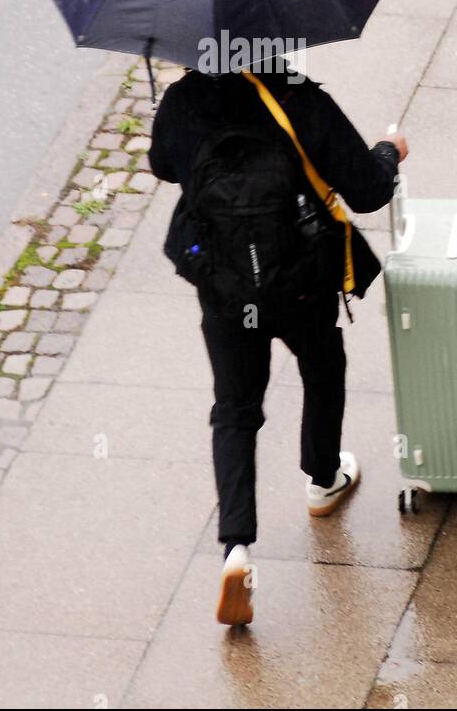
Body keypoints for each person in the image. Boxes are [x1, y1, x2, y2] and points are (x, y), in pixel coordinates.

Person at [149, 58, 408, 626]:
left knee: (235, 409)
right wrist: (391, 151)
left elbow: (164, 166)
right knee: (322, 364)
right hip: (299, 282)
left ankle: (236, 548)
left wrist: (171, 112)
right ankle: (322, 478)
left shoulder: (183, 101)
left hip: (223, 284)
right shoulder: (296, 95)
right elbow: (366, 191)